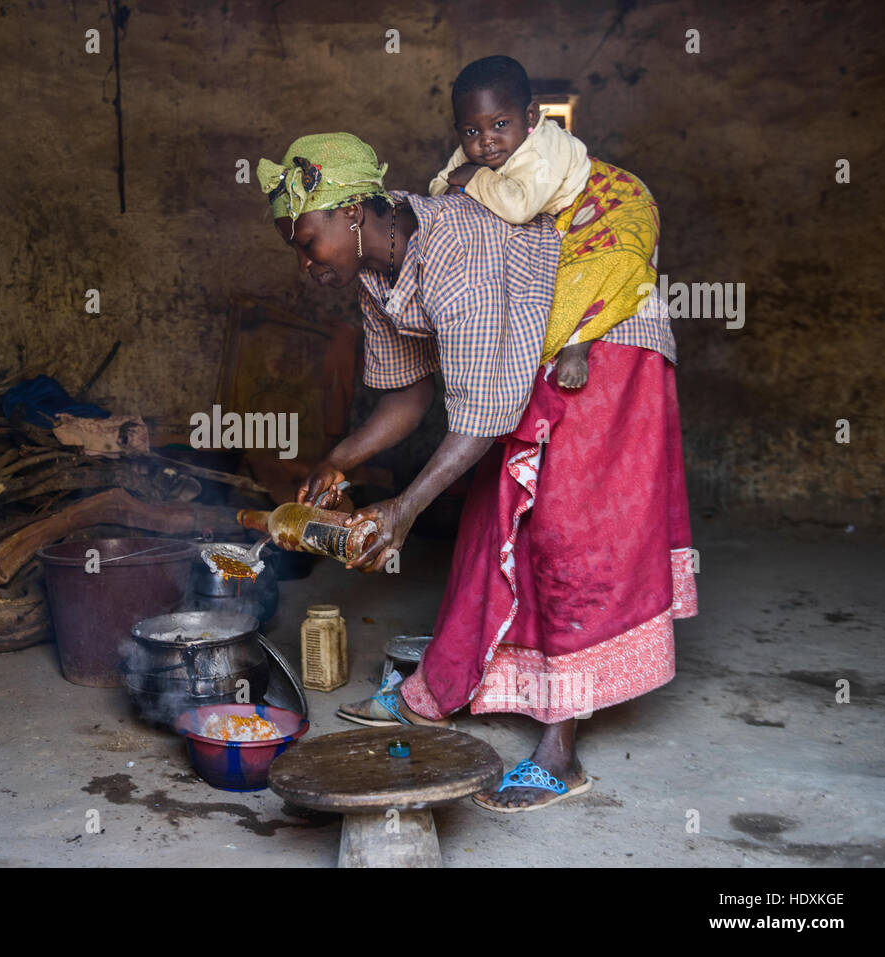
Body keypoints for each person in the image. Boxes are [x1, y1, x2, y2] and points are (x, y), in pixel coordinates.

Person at [256, 131, 696, 812]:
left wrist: (402, 509)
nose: (304, 261)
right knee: (493, 523)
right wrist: (337, 460)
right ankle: (437, 692)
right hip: (527, 367)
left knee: (562, 536)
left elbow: (485, 417)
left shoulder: (455, 252)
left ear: (350, 213)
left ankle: (560, 751)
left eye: (306, 241)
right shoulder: (378, 274)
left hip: (602, 344)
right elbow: (409, 395)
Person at [429, 55, 660, 392]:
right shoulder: (471, 152)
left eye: (501, 125)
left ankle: (576, 348)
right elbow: (438, 191)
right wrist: (456, 184)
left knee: (597, 269)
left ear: (530, 116)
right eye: (471, 130)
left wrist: (474, 178)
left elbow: (519, 206)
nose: (486, 140)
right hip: (564, 215)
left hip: (614, 204)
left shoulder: (542, 149)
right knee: (549, 274)